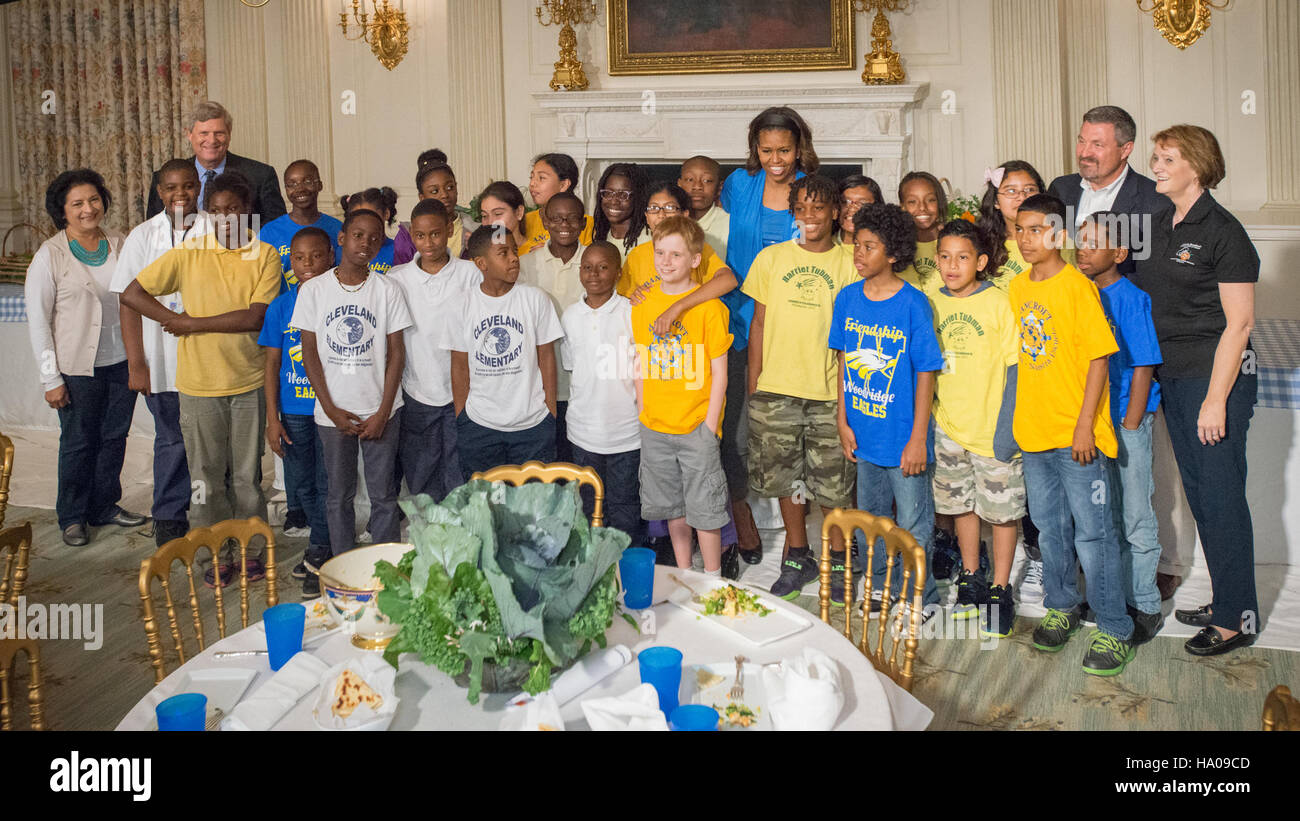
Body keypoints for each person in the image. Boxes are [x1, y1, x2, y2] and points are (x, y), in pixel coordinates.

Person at [1130, 125, 1260, 655]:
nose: (1155, 165)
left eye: (1166, 158)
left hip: (1214, 382)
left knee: (1222, 498)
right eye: (1156, 157)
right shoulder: (1161, 222)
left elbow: (1240, 325)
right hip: (1175, 377)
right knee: (1204, 495)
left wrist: (1215, 400)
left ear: (1197, 167)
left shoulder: (1224, 232)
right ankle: (1227, 597)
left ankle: (1236, 619)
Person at [123, 171, 281, 587]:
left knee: (247, 478)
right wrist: (172, 319)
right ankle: (213, 551)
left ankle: (252, 548)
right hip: (196, 385)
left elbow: (256, 315)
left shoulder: (263, 254)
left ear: (249, 213)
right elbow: (131, 294)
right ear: (207, 213)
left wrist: (191, 324)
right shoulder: (190, 252)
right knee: (204, 479)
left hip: (247, 382)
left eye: (236, 210)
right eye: (219, 210)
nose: (227, 218)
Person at [1009, 193, 1135, 675]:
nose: (1026, 238)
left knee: (1094, 534)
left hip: (1077, 435)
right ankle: (1062, 606)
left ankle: (1113, 625)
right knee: (1050, 529)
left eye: (1036, 229)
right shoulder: (1018, 288)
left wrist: (1085, 425)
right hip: (1036, 435)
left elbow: (1098, 359)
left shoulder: (1079, 288)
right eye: (1020, 229)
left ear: (1059, 236)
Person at [742, 175, 858, 602]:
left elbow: (853, 333)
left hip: (830, 391)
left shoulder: (849, 262)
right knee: (789, 479)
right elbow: (758, 322)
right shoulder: (771, 259)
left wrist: (849, 396)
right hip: (776, 389)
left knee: (834, 483)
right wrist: (754, 381)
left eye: (818, 208)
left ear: (834, 213)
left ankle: (841, 557)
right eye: (802, 208)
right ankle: (797, 553)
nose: (809, 216)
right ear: (793, 212)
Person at [619, 182, 744, 574]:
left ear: (695, 260)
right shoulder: (641, 303)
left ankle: (711, 578)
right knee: (671, 507)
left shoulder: (709, 308)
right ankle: (685, 573)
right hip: (655, 424)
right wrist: (642, 408)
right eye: (660, 253)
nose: (666, 261)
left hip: (696, 426)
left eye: (676, 255)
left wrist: (710, 424)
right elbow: (640, 359)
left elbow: (720, 374)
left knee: (705, 507)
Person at [829, 203, 943, 620]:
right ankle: (877, 587)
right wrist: (843, 420)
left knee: (913, 523)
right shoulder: (847, 299)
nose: (859, 254)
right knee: (871, 520)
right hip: (863, 434)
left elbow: (927, 372)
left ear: (893, 253)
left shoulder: (914, 304)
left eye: (870, 247)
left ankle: (920, 595)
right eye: (857, 245)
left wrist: (917, 439)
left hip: (903, 437)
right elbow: (844, 364)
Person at [26, 168, 146, 547]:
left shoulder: (119, 243)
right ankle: (73, 516)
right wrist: (51, 380)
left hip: (121, 360)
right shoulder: (50, 256)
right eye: (77, 203)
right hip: (76, 367)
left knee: (114, 437)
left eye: (93, 200)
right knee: (79, 440)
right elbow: (38, 323)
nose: (87, 209)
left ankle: (104, 505)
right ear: (62, 211)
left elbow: (139, 296)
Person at [721, 106, 819, 564]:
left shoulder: (812, 193)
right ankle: (741, 519)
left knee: (800, 436)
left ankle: (807, 542)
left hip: (797, 329)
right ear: (754, 149)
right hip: (742, 324)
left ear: (799, 148)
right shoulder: (739, 185)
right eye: (766, 149)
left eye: (784, 149)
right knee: (736, 434)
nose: (775, 158)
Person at [290, 209, 412, 558]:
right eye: (358, 235)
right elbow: (309, 353)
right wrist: (330, 408)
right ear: (341, 238)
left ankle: (385, 567)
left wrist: (384, 410)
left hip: (381, 410)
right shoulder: (314, 290)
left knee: (384, 496)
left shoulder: (387, 289)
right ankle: (343, 564)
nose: (366, 243)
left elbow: (396, 354)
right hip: (333, 413)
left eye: (374, 237)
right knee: (338, 494)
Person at [930, 219, 1023, 638]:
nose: (952, 266)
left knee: (1001, 513)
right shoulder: (931, 299)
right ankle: (971, 575)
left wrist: (1007, 431)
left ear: (981, 262)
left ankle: (1001, 589)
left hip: (991, 431)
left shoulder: (998, 303)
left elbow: (1016, 368)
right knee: (961, 505)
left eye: (962, 257)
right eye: (945, 257)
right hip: (948, 426)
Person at [1076, 211, 1164, 645]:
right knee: (1104, 515)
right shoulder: (1080, 295)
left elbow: (1145, 363)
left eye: (1095, 243)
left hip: (1127, 423)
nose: (1083, 249)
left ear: (1120, 252)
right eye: (1080, 241)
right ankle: (1112, 596)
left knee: (1135, 513)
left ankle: (1145, 602)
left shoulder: (1130, 298)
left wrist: (1130, 422)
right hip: (1095, 425)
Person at [113, 159, 210, 547]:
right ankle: (169, 514)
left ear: (198, 189)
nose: (181, 194)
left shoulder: (216, 229)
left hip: (207, 358)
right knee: (171, 439)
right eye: (172, 188)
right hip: (160, 361)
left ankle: (208, 512)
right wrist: (136, 363)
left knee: (207, 441)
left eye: (188, 186)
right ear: (160, 193)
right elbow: (127, 300)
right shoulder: (142, 235)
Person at [444, 226, 564, 477]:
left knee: (532, 508)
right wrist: (462, 415)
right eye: (503, 252)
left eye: (515, 251)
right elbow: (459, 364)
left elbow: (547, 357)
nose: (513, 258)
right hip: (479, 425)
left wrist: (549, 412)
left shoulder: (535, 299)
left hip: (533, 424)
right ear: (481, 263)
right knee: (484, 508)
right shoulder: (461, 304)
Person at [389, 199, 481, 501]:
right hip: (417, 390)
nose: (428, 243)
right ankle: (428, 538)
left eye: (435, 234)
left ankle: (463, 539)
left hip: (463, 390)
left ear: (449, 230)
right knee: (421, 473)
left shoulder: (470, 273)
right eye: (420, 235)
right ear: (411, 235)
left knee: (461, 474)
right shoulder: (397, 279)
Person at [259, 228, 334, 597]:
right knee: (300, 486)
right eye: (299, 258)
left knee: (327, 484)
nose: (307, 265)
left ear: (331, 256)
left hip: (329, 410)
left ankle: (320, 553)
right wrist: (272, 418)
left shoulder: (337, 301)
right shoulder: (280, 306)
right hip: (293, 412)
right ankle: (321, 545)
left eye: (316, 257)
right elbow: (272, 363)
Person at [560, 241, 644, 541]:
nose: (593, 274)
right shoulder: (570, 316)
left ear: (618, 273)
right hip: (583, 432)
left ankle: (624, 571)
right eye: (587, 267)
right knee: (588, 506)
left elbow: (640, 370)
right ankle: (592, 570)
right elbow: (571, 366)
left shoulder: (631, 313)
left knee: (625, 507)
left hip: (626, 433)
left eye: (603, 267)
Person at [1048, 105, 1170, 275]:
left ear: (1125, 149)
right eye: (1081, 141)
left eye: (1097, 145)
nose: (1084, 152)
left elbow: (1156, 276)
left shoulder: (1156, 202)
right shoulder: (1060, 189)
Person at [519, 191, 589, 462]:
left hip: (583, 385)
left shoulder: (595, 262)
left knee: (582, 465)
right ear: (545, 222)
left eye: (572, 219)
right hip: (539, 386)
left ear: (583, 223)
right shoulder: (525, 265)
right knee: (546, 464)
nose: (565, 225)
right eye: (557, 218)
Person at [147, 100, 285, 222]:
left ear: (229, 134)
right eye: (204, 133)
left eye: (219, 133)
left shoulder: (261, 175)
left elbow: (277, 231)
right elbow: (154, 230)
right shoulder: (163, 179)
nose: (212, 140)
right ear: (189, 134)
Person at [258, 159, 342, 290]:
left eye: (307, 181)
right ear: (285, 189)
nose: (300, 189)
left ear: (320, 185)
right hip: (285, 306)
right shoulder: (269, 232)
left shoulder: (337, 228)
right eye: (291, 184)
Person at [975, 160, 1046, 291]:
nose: (1022, 197)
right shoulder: (980, 242)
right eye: (1011, 191)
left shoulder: (1054, 240)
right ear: (996, 201)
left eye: (1030, 190)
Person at [395, 153, 474, 263]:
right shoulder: (407, 235)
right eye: (434, 191)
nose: (444, 195)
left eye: (450, 187)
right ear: (422, 197)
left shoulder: (474, 228)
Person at [521, 152, 595, 254]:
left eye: (541, 178)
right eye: (531, 177)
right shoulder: (525, 221)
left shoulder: (586, 224)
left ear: (563, 185)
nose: (532, 183)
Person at [896, 171, 947, 297]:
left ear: (939, 203)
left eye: (930, 200)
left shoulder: (953, 242)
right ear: (902, 206)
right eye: (912, 202)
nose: (923, 207)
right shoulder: (895, 246)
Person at [593, 162, 649, 263]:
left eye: (623, 195)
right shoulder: (601, 237)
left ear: (638, 198)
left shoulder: (650, 241)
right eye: (608, 193)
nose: (614, 201)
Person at [678, 155, 730, 260]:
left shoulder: (730, 223)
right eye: (689, 179)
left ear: (719, 187)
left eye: (707, 180)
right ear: (679, 184)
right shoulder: (669, 219)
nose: (697, 186)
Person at [340, 188, 398, 275]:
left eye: (371, 215)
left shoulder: (398, 250)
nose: (365, 222)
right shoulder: (342, 251)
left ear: (386, 214)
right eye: (358, 217)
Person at [477, 181, 530, 253]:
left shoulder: (535, 253)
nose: (490, 222)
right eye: (484, 216)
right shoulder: (482, 255)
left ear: (519, 212)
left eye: (498, 214)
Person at [837, 174, 883, 246]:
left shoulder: (885, 250)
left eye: (862, 203)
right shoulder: (822, 246)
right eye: (845, 202)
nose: (852, 208)